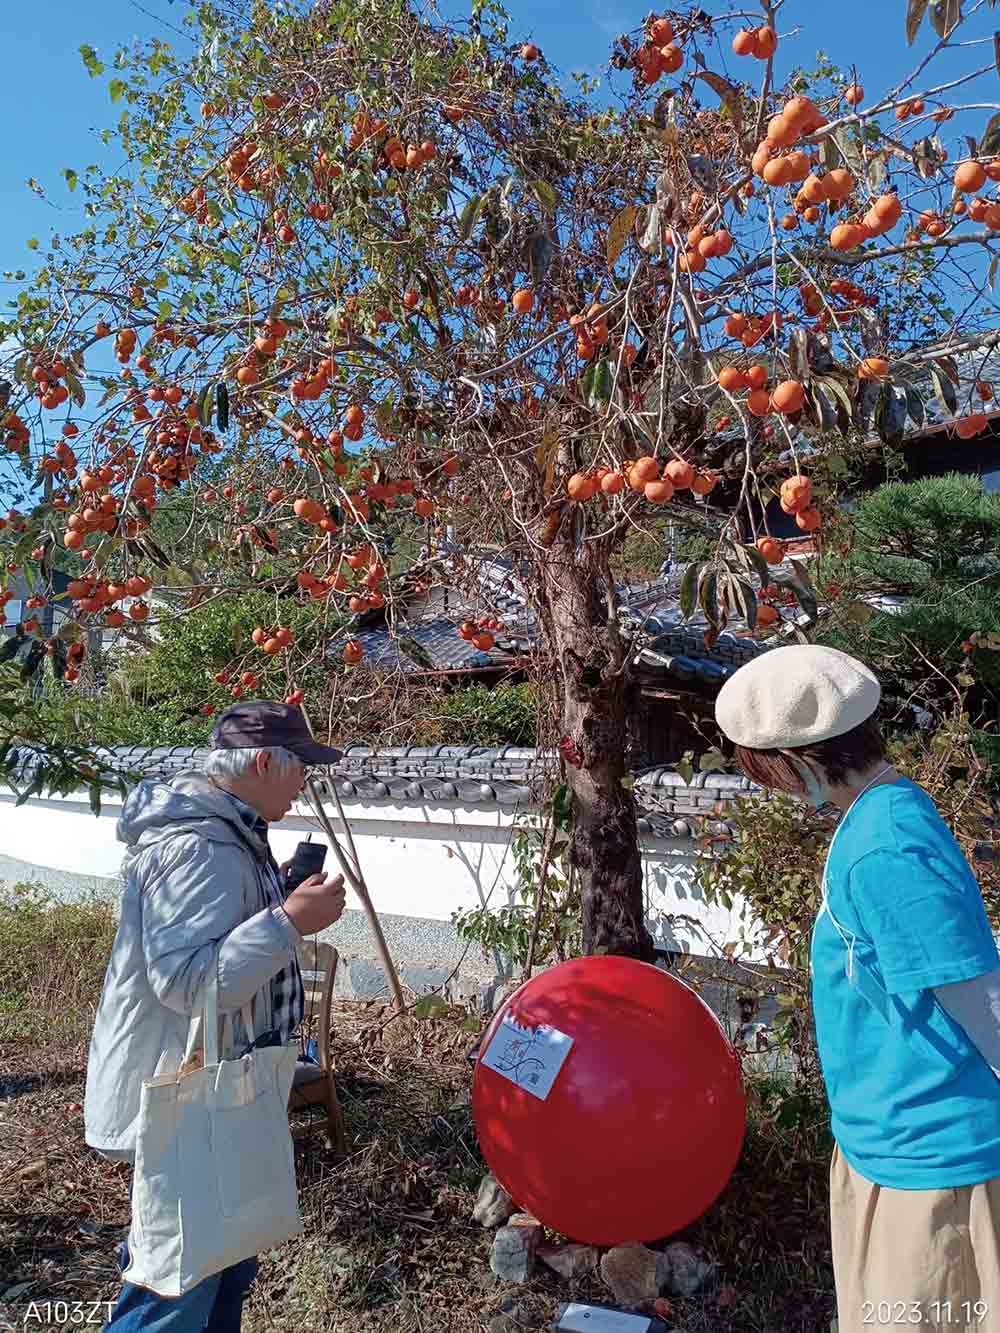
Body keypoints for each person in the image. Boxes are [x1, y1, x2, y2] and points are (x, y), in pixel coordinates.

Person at [715, 645, 1000, 1333]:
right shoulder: (881, 814)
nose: (772, 788)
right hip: (891, 1139)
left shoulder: (884, 847)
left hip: (933, 1166)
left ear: (799, 760)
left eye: (767, 772)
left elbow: (980, 1002)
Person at [84, 701, 347, 1332]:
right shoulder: (199, 848)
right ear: (263, 760)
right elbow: (186, 981)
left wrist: (276, 900)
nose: (304, 781)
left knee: (219, 1265)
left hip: (220, 1087)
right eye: (301, 767)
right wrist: (288, 923)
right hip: (186, 1087)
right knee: (178, 1281)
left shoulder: (231, 833)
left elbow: (217, 939)